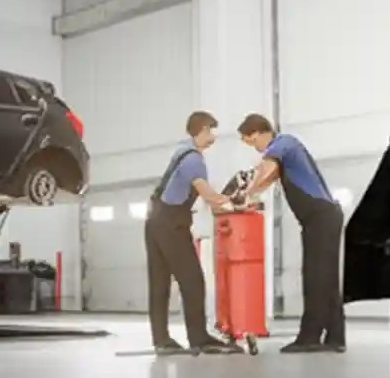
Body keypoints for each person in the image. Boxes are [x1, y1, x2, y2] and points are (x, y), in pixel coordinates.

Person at [237, 113, 345, 354]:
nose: (256, 148)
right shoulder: (283, 153)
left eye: (252, 142)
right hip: (320, 219)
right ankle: (336, 337)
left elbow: (266, 170)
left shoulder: (284, 142)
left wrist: (246, 193)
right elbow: (268, 175)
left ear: (259, 132)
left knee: (315, 277)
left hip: (321, 218)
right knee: (326, 278)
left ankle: (310, 337)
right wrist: (252, 191)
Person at [145, 111, 239, 355]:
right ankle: (199, 338)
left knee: (159, 283)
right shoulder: (194, 159)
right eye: (211, 130)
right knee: (193, 280)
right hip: (171, 224)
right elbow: (208, 195)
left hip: (155, 220)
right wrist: (233, 202)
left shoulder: (181, 151)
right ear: (202, 129)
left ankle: (161, 340)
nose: (213, 136)